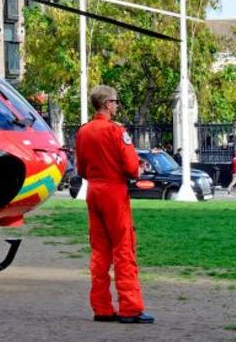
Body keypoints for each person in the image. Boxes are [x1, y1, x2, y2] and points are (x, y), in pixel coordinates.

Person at [75, 85, 154, 325]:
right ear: (108, 104)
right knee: (123, 247)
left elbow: (80, 169)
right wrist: (137, 169)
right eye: (116, 102)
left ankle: (102, 307)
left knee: (99, 251)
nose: (118, 106)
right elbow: (131, 168)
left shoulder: (83, 132)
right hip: (114, 191)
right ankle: (130, 307)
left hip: (94, 191)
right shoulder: (117, 131)